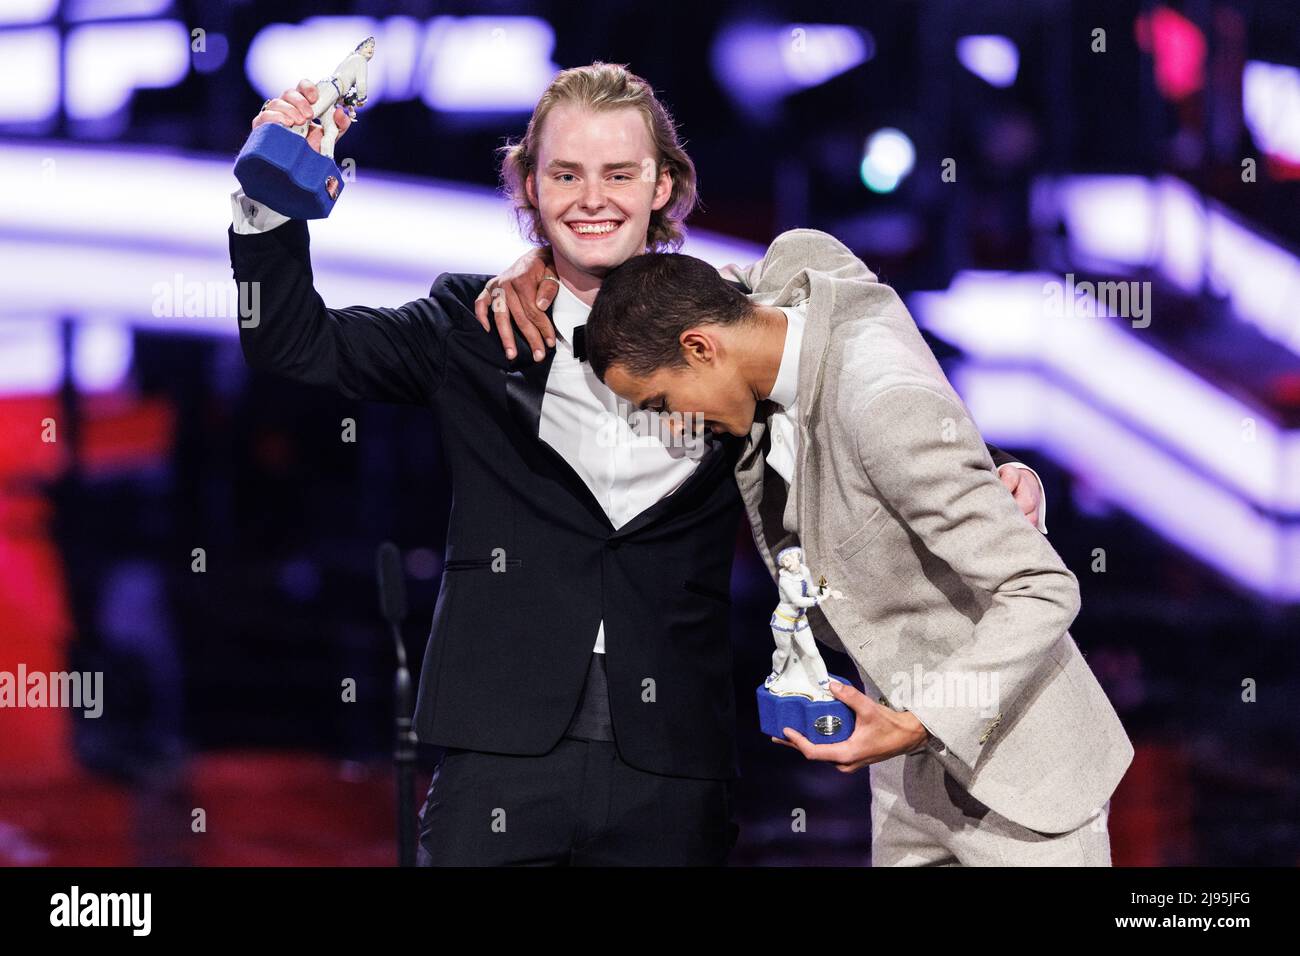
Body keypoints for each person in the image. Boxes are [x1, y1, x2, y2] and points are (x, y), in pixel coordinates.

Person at [229, 62, 1046, 865]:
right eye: (566, 174)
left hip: (674, 766)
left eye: (619, 173)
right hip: (497, 760)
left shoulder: (730, 327)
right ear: (531, 188)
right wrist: (270, 194)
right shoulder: (472, 325)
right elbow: (293, 343)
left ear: (663, 186)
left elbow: (869, 384)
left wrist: (997, 471)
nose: (592, 199)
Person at [582, 246, 1135, 865]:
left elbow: (1041, 587)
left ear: (700, 347)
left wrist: (922, 720)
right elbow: (773, 264)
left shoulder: (877, 402)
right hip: (907, 778)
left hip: (1022, 777)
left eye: (660, 403)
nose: (672, 427)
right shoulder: (793, 289)